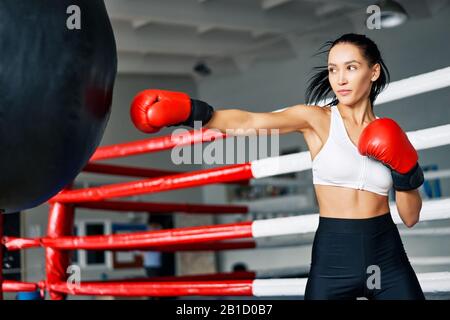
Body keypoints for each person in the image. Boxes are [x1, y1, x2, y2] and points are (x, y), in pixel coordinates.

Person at [129, 33, 425, 300]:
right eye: (333, 69)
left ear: (373, 71)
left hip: (387, 257)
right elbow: (251, 122)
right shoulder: (317, 120)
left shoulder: (390, 132)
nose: (340, 79)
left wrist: (406, 172)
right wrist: (194, 112)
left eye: (351, 67)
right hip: (334, 257)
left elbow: (410, 217)